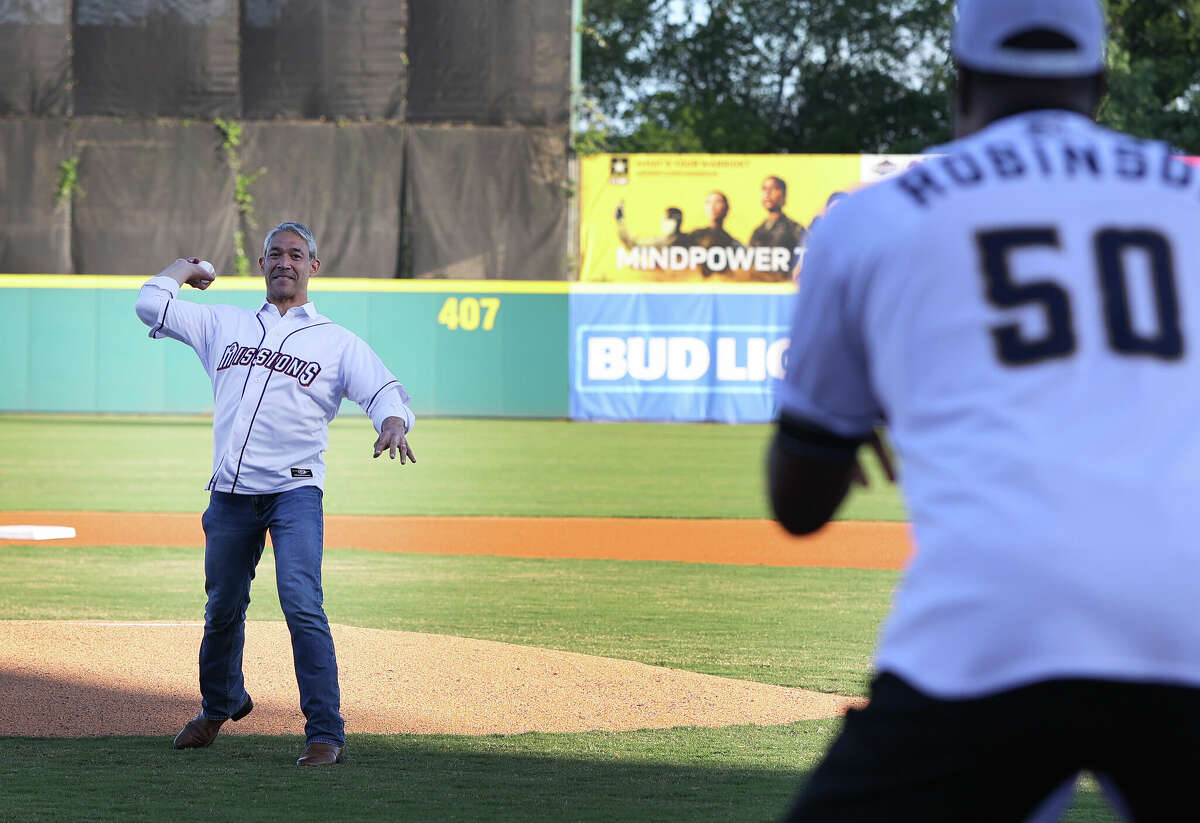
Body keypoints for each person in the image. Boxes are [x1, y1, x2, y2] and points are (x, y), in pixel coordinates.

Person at [769, 0, 1200, 819]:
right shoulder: (1188, 195)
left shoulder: (869, 220)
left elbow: (798, 504)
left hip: (988, 627)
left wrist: (865, 422)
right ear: (1100, 84)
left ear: (960, 81)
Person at [134, 221, 416, 767]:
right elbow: (151, 305)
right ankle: (221, 704)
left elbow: (385, 390)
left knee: (302, 603)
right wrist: (188, 268)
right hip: (232, 493)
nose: (284, 261)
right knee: (222, 608)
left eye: (295, 253)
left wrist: (393, 422)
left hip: (295, 493)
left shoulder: (336, 341)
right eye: (274, 254)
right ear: (261, 266)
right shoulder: (224, 324)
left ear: (314, 266)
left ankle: (325, 734)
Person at [748, 176, 806, 280]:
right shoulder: (757, 231)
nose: (767, 194)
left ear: (784, 194)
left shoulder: (794, 229)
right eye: (764, 189)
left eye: (773, 189)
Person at [682, 190, 741, 277]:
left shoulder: (733, 243)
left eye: (718, 202)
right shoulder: (694, 236)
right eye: (708, 202)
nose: (712, 207)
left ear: (727, 208)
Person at [615, 201, 686, 251]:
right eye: (663, 219)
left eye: (668, 219)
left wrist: (620, 221)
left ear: (677, 222)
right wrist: (621, 222)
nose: (663, 223)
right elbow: (632, 243)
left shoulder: (686, 240)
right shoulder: (659, 241)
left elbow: (633, 243)